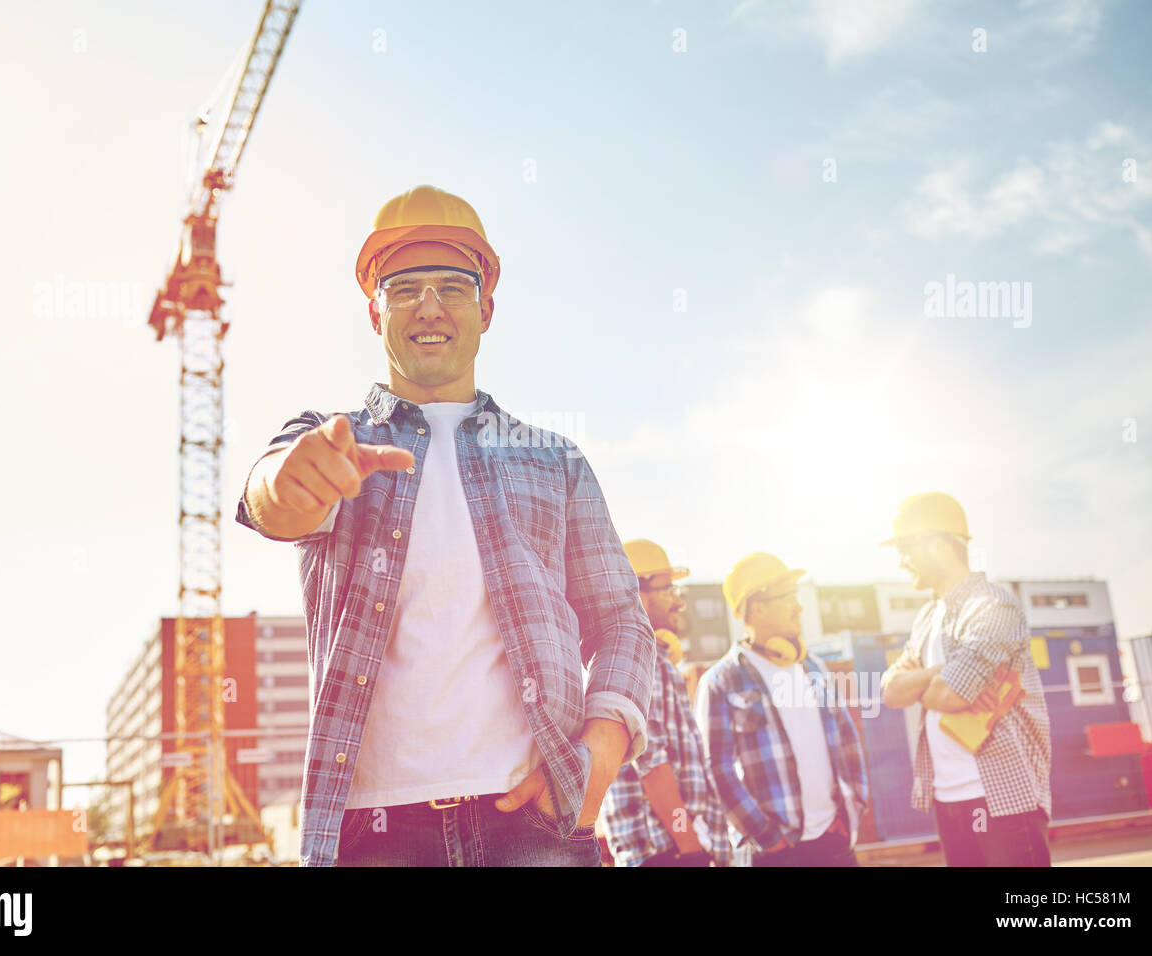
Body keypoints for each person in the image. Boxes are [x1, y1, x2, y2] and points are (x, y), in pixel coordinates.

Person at [235, 185, 653, 866]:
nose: (429, 307)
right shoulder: (330, 441)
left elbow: (621, 620)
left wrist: (602, 750)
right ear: (376, 313)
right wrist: (287, 483)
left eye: (452, 287)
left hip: (533, 824)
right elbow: (272, 495)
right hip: (374, 837)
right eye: (404, 289)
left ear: (485, 309)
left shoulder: (554, 460)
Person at [879, 493, 1052, 867]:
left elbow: (952, 695)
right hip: (948, 800)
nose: (901, 560)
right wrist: (938, 671)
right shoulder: (926, 618)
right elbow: (891, 691)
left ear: (938, 544)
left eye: (907, 547)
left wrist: (930, 684)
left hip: (1001, 797)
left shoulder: (994, 606)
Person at [697, 553, 868, 867]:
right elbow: (717, 769)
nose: (798, 605)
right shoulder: (721, 681)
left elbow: (847, 738)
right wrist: (766, 837)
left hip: (833, 840)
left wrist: (853, 807)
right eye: (788, 596)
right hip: (772, 852)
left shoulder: (814, 667)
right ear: (757, 607)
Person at [598, 540, 732, 867]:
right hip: (670, 852)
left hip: (674, 849)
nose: (679, 601)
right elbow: (653, 767)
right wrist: (688, 844)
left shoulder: (657, 662)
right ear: (637, 593)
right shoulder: (639, 660)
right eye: (668, 589)